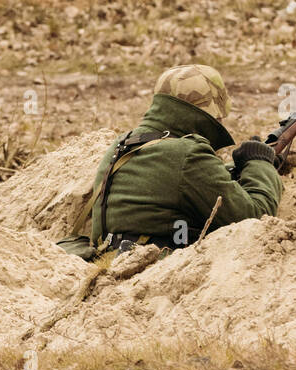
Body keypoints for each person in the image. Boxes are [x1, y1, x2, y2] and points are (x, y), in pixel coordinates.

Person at [57, 65, 282, 261]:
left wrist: (239, 169)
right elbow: (255, 216)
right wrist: (260, 163)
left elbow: (175, 183)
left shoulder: (126, 142)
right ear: (207, 113)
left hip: (108, 257)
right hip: (153, 267)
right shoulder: (188, 153)